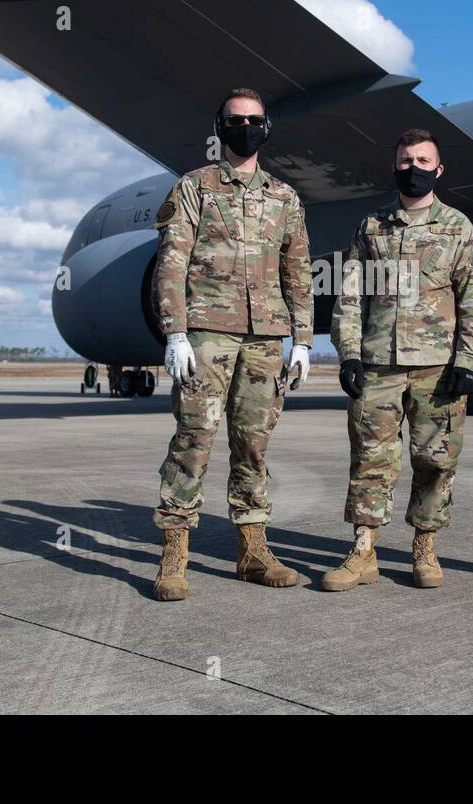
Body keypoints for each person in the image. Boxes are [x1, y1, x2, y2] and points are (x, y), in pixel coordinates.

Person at [149, 88, 313, 601]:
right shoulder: (194, 187)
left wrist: (303, 341)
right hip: (207, 333)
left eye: (254, 120)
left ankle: (253, 550)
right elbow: (172, 262)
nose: (246, 127)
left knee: (253, 443)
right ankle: (175, 552)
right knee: (194, 438)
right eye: (236, 120)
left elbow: (297, 271)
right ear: (220, 127)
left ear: (267, 127)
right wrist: (175, 332)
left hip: (266, 337)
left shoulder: (284, 197)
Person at [325, 128, 473, 591]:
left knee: (435, 460)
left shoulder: (458, 228)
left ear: (438, 170)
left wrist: (469, 361)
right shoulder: (372, 226)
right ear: (394, 166)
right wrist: (349, 354)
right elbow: (351, 296)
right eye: (405, 161)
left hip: (438, 368)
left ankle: (424, 548)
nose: (413, 168)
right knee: (370, 458)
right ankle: (363, 551)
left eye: (422, 161)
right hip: (378, 364)